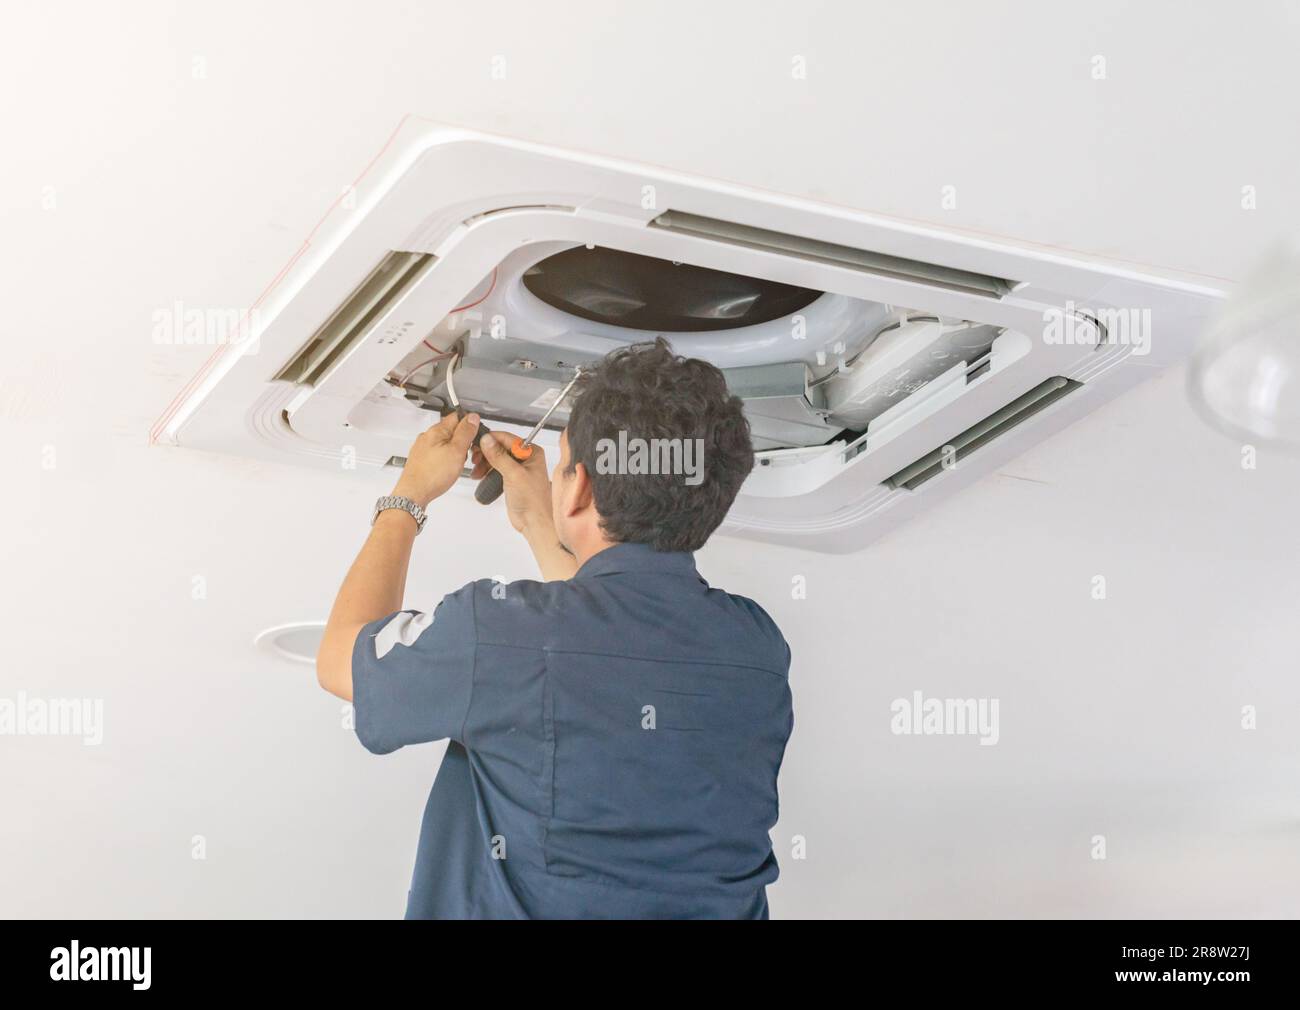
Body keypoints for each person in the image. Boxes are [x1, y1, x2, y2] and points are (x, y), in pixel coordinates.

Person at [316, 338, 793, 918]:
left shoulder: (491, 631)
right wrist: (543, 521)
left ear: (584, 486)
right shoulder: (755, 651)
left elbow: (342, 659)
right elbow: (598, 649)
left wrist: (408, 497)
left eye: (566, 465)